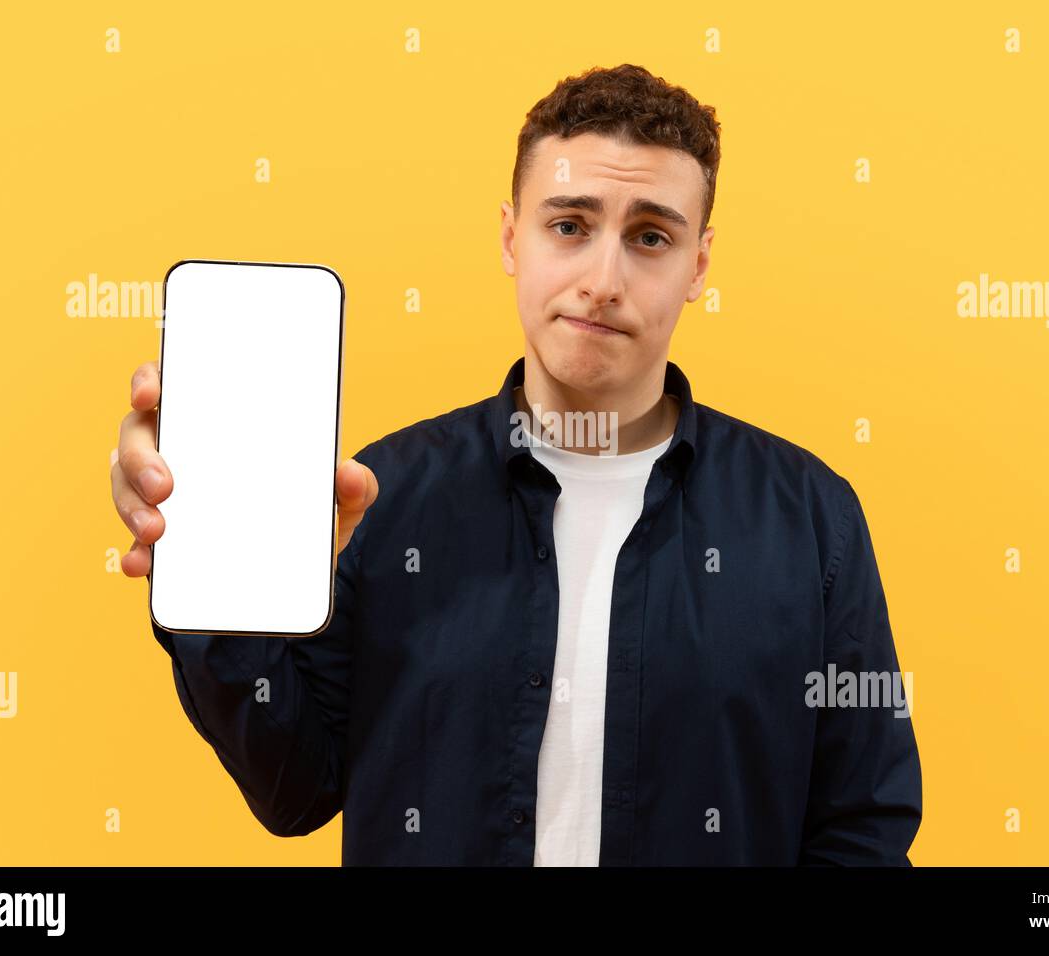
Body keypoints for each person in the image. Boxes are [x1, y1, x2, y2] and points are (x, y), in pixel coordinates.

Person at [110, 64, 922, 866]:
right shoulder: (380, 498)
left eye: (650, 237)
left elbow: (864, 826)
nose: (603, 282)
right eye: (569, 225)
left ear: (699, 265)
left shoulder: (812, 519)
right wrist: (206, 557)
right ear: (510, 238)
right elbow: (292, 790)